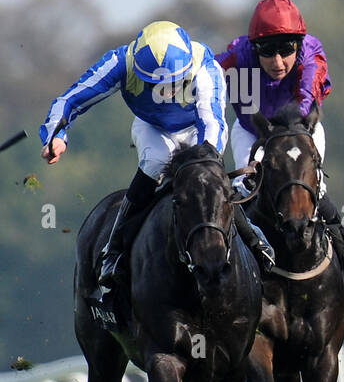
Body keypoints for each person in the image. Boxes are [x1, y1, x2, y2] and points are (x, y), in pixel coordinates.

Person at [39, 20, 269, 310]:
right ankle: (115, 249)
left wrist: (204, 158)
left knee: (207, 179)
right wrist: (56, 135)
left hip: (197, 129)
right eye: (158, 84)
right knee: (157, 159)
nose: (167, 91)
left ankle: (253, 238)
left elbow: (212, 120)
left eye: (174, 83)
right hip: (153, 128)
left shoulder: (204, 63)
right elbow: (69, 100)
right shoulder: (120, 62)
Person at [218, 0, 344, 295]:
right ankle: (225, 267)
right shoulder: (236, 57)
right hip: (252, 131)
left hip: (300, 128)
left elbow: (305, 100)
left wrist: (282, 149)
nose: (277, 62)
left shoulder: (312, 53)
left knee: (312, 187)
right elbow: (202, 78)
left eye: (286, 50)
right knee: (245, 187)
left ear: (298, 45)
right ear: (254, 48)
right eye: (267, 52)